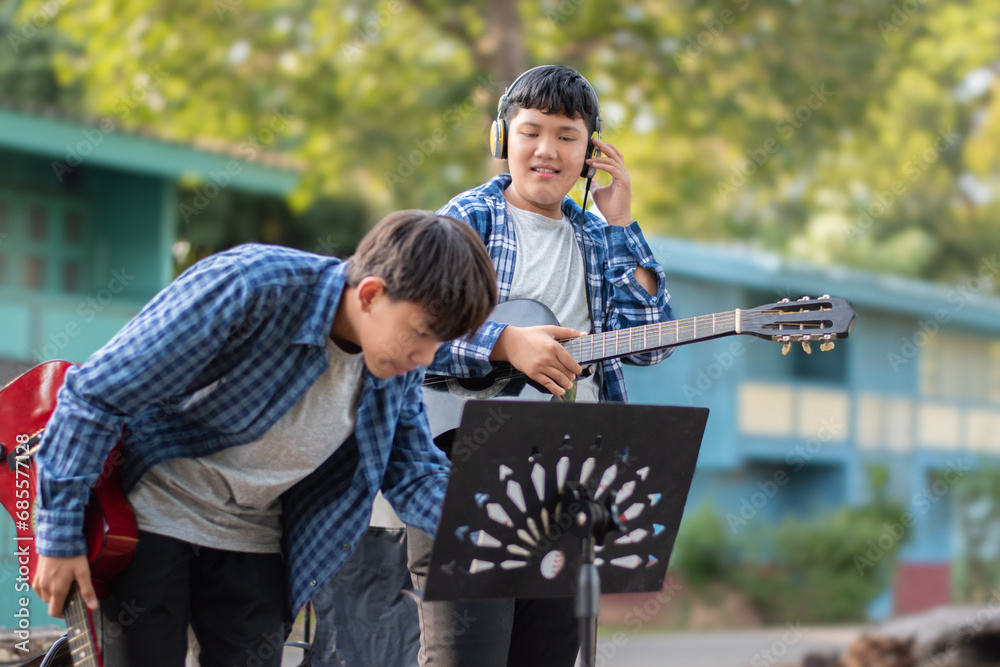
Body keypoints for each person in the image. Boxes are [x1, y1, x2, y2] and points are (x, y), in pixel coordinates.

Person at [30, 210, 498, 667]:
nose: (425, 357)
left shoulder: (396, 364)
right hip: (154, 516)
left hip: (256, 536)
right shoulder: (250, 286)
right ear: (372, 294)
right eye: (421, 334)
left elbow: (414, 472)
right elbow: (96, 395)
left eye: (440, 343)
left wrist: (481, 530)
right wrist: (59, 536)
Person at [405, 64, 675, 666]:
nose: (546, 151)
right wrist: (504, 344)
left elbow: (651, 343)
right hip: (463, 472)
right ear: (503, 138)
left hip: (568, 483)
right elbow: (411, 335)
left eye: (567, 136)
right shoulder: (465, 220)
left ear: (591, 151)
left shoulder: (601, 237)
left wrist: (624, 223)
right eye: (530, 132)